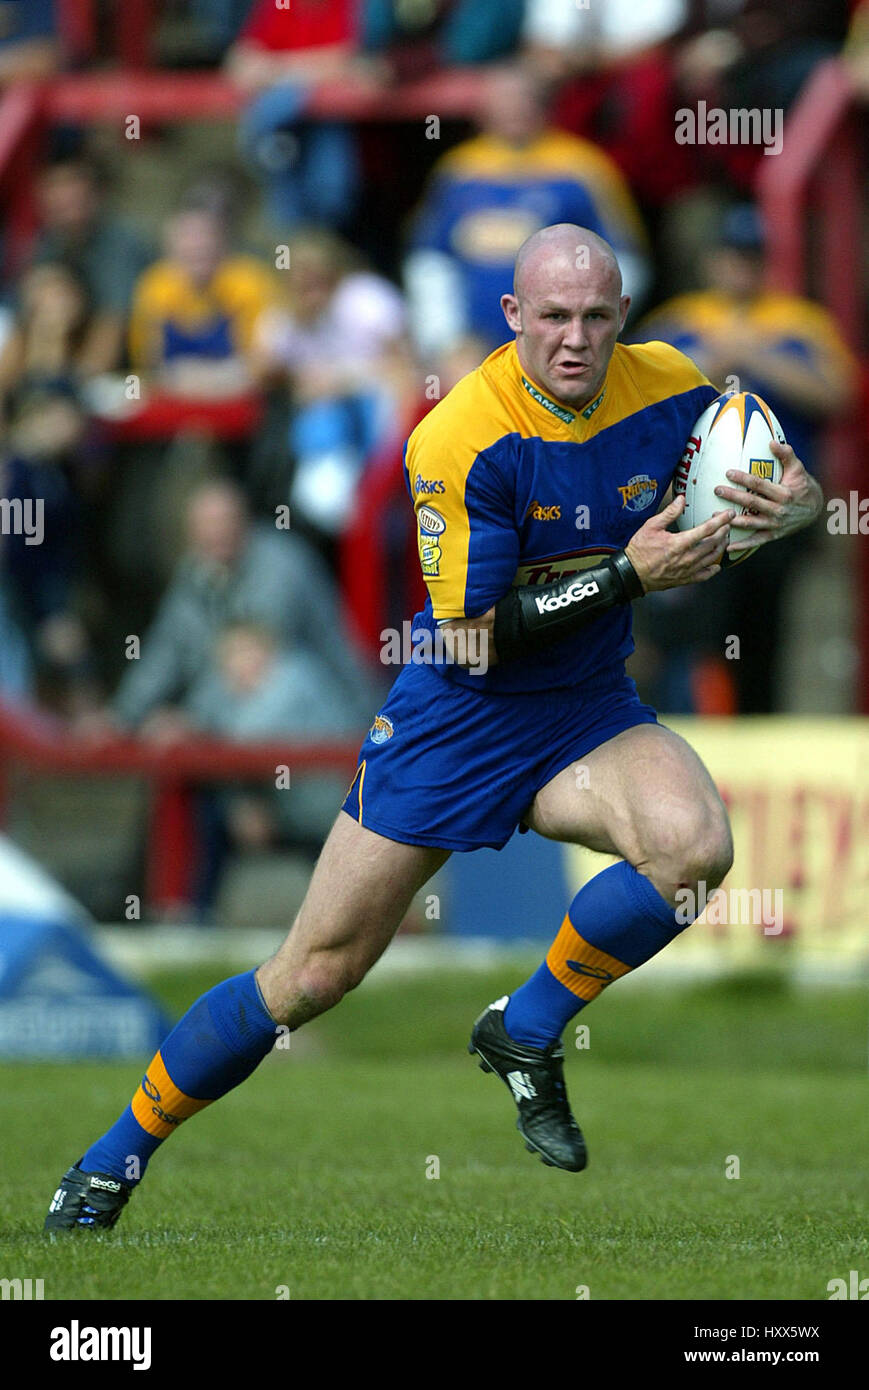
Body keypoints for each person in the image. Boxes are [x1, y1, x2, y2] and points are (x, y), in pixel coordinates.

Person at [43, 224, 823, 1231]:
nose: (574, 339)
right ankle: (111, 1160)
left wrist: (792, 503)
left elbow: (775, 482)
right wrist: (629, 574)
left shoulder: (670, 384)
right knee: (312, 975)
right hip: (457, 712)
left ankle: (525, 1026)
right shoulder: (460, 436)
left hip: (583, 709)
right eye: (551, 317)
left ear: (622, 316)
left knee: (691, 850)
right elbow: (470, 642)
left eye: (594, 316)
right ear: (511, 317)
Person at [404, 64, 651, 358]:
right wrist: (445, 341)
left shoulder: (583, 167)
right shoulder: (459, 171)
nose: (513, 110)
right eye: (502, 101)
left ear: (543, 103)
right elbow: (430, 260)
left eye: (521, 99)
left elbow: (625, 259)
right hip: (472, 353)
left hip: (563, 350)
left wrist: (587, 334)